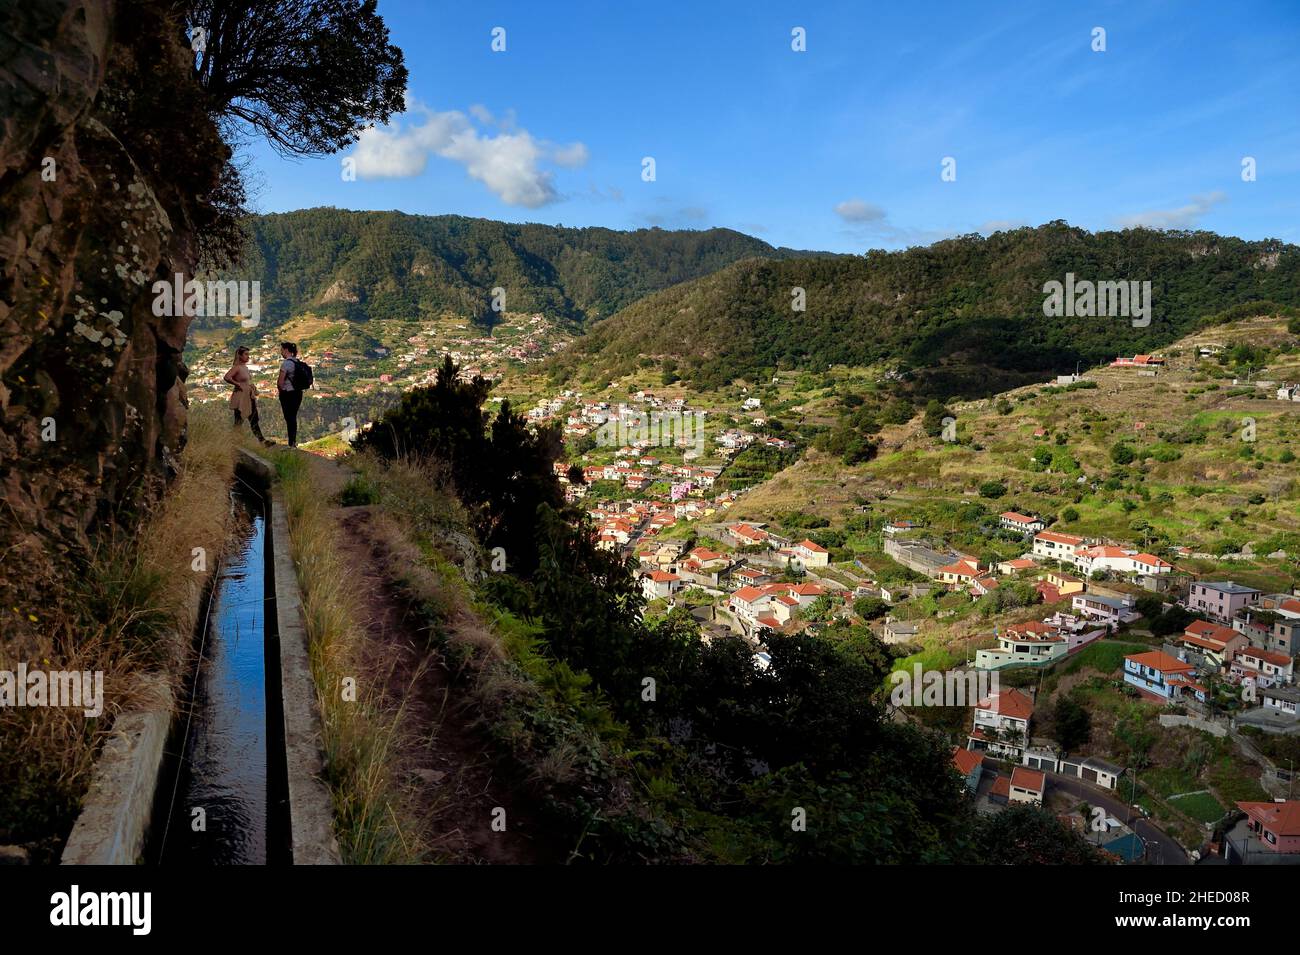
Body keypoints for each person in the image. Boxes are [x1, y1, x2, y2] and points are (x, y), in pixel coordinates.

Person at [224, 346, 273, 445]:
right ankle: (234, 441)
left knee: (253, 418)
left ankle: (262, 441)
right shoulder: (237, 367)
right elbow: (227, 377)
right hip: (241, 396)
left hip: (248, 395)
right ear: (240, 355)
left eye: (248, 354)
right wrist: (238, 384)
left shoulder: (245, 367)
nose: (248, 357)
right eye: (246, 354)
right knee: (239, 421)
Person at [277, 341, 304, 448]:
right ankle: (293, 442)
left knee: (289, 418)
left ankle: (291, 443)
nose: (281, 352)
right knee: (293, 418)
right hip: (298, 393)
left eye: (282, 350)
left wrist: (281, 392)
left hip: (288, 394)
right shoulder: (297, 362)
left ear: (286, 350)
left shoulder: (286, 363)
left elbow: (280, 382)